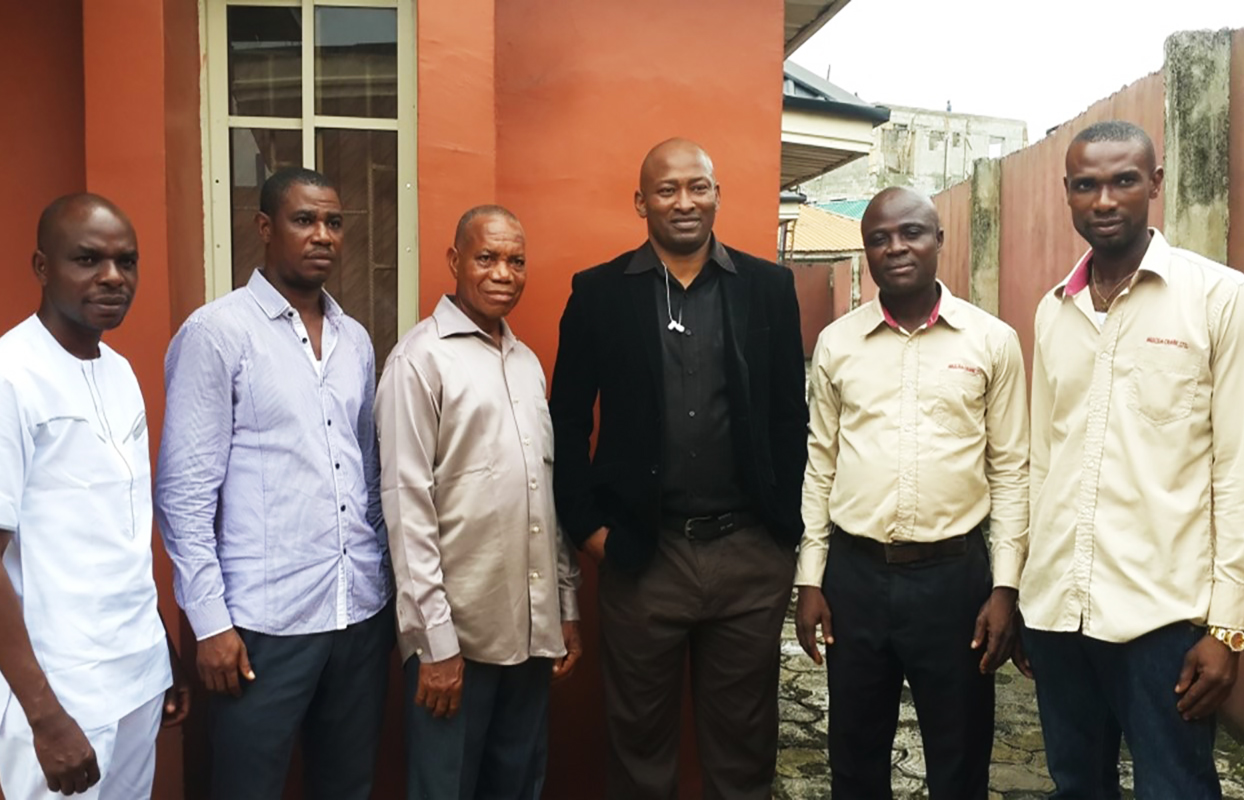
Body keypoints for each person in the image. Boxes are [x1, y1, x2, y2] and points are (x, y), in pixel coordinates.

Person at [549, 138, 807, 799]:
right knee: (639, 751)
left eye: (698, 186)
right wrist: (589, 533)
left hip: (750, 556)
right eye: (667, 189)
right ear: (642, 202)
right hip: (643, 556)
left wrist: (784, 535)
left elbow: (788, 416)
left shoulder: (768, 289)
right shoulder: (600, 293)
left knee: (744, 752)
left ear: (717, 194)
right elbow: (568, 421)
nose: (684, 201)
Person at [1021, 120, 1244, 799]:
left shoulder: (1219, 297)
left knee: (1175, 788)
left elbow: (1236, 469)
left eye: (1123, 181)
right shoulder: (1053, 311)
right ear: (1067, 194)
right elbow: (1042, 461)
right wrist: (1033, 594)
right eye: (1086, 185)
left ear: (1154, 183)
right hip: (1061, 612)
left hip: (1164, 621)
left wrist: (1229, 628)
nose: (1105, 200)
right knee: (1076, 785)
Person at [155, 168, 394, 800]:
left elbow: (365, 472)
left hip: (357, 611)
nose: (322, 235)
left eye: (334, 223)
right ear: (264, 228)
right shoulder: (217, 333)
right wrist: (209, 623)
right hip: (261, 625)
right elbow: (183, 492)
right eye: (304, 220)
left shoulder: (356, 341)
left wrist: (385, 588)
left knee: (347, 786)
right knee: (246, 788)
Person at [0, 194, 189, 799]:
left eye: (126, 262)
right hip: (61, 690)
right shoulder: (3, 380)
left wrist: (161, 649)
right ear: (41, 267)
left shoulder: (120, 371)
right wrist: (46, 718)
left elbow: (119, 533)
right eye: (87, 259)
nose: (112, 277)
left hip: (134, 672)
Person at [794, 186, 1028, 799]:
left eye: (912, 233)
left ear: (939, 240)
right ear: (866, 250)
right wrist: (810, 579)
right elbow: (821, 464)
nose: (895, 247)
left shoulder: (991, 341)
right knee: (855, 756)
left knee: (959, 757)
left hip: (954, 581)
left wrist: (1005, 588)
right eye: (879, 238)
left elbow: (1009, 470)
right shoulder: (837, 344)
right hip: (855, 580)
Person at [375, 205, 582, 799]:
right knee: (446, 788)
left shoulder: (524, 363)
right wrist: (435, 645)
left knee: (518, 786)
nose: (503, 273)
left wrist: (565, 608)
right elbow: (406, 508)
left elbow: (544, 495)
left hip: (530, 633)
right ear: (455, 261)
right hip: (456, 642)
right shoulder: (420, 361)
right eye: (486, 258)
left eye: (516, 261)